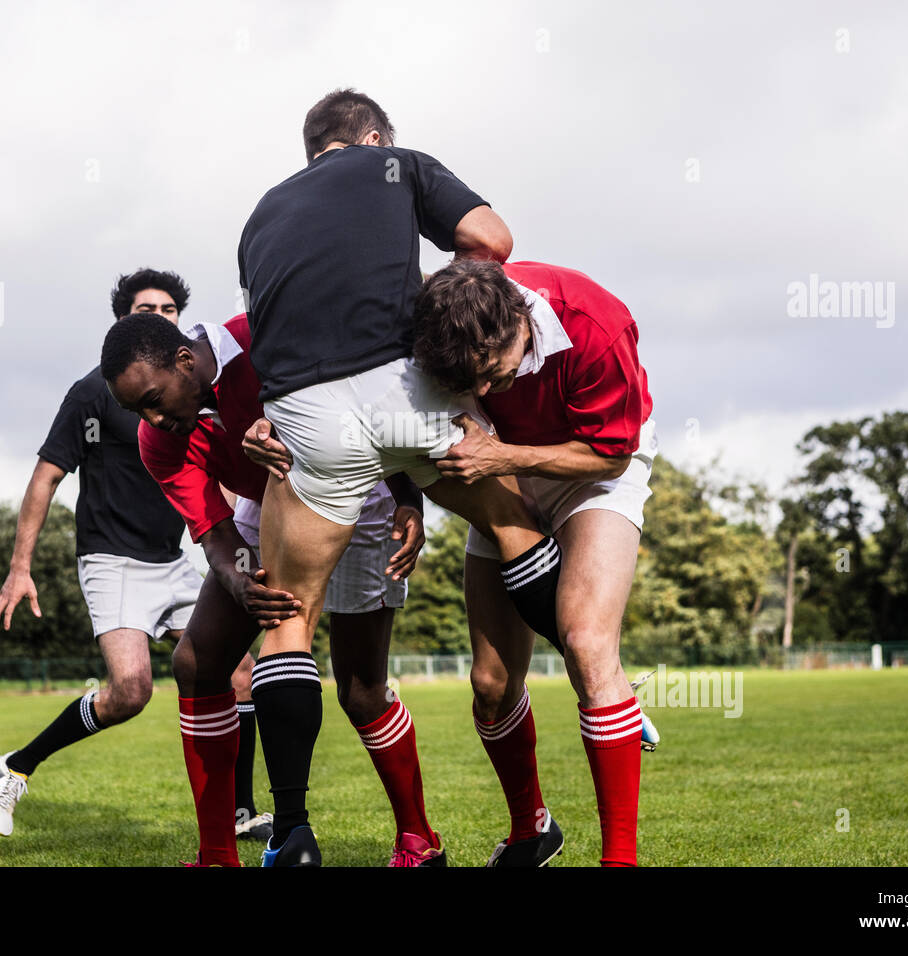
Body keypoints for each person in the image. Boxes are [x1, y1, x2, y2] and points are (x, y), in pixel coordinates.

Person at [234, 89, 568, 863]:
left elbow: (269, 322)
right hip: (407, 389)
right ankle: (605, 685)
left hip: (308, 418)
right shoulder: (399, 164)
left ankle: (292, 835)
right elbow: (493, 239)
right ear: (376, 136)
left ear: (312, 150)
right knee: (514, 527)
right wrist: (447, 312)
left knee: (287, 623)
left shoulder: (259, 214)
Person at [102, 311, 445, 867]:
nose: (152, 417)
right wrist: (240, 582)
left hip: (358, 492)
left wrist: (408, 495)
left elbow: (370, 396)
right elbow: (213, 532)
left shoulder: (264, 333)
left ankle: (418, 841)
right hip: (263, 507)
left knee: (361, 690)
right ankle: (217, 853)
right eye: (137, 409)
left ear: (186, 361)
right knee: (197, 663)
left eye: (153, 397)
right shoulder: (158, 440)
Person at [0, 269, 269, 841]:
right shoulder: (94, 393)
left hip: (175, 559)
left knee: (240, 672)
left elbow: (216, 478)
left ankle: (240, 812)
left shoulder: (197, 387)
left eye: (167, 311)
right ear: (122, 322)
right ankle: (16, 767)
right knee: (132, 691)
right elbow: (46, 477)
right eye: (144, 310)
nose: (157, 317)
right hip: (112, 560)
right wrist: (19, 569)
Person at [413, 258, 658, 867]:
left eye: (494, 373)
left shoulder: (596, 324)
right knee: (490, 685)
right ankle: (532, 830)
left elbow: (611, 457)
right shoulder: (439, 322)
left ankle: (619, 860)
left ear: (518, 322)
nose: (489, 391)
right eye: (475, 382)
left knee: (585, 641)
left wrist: (501, 456)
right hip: (499, 467)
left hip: (590, 470)